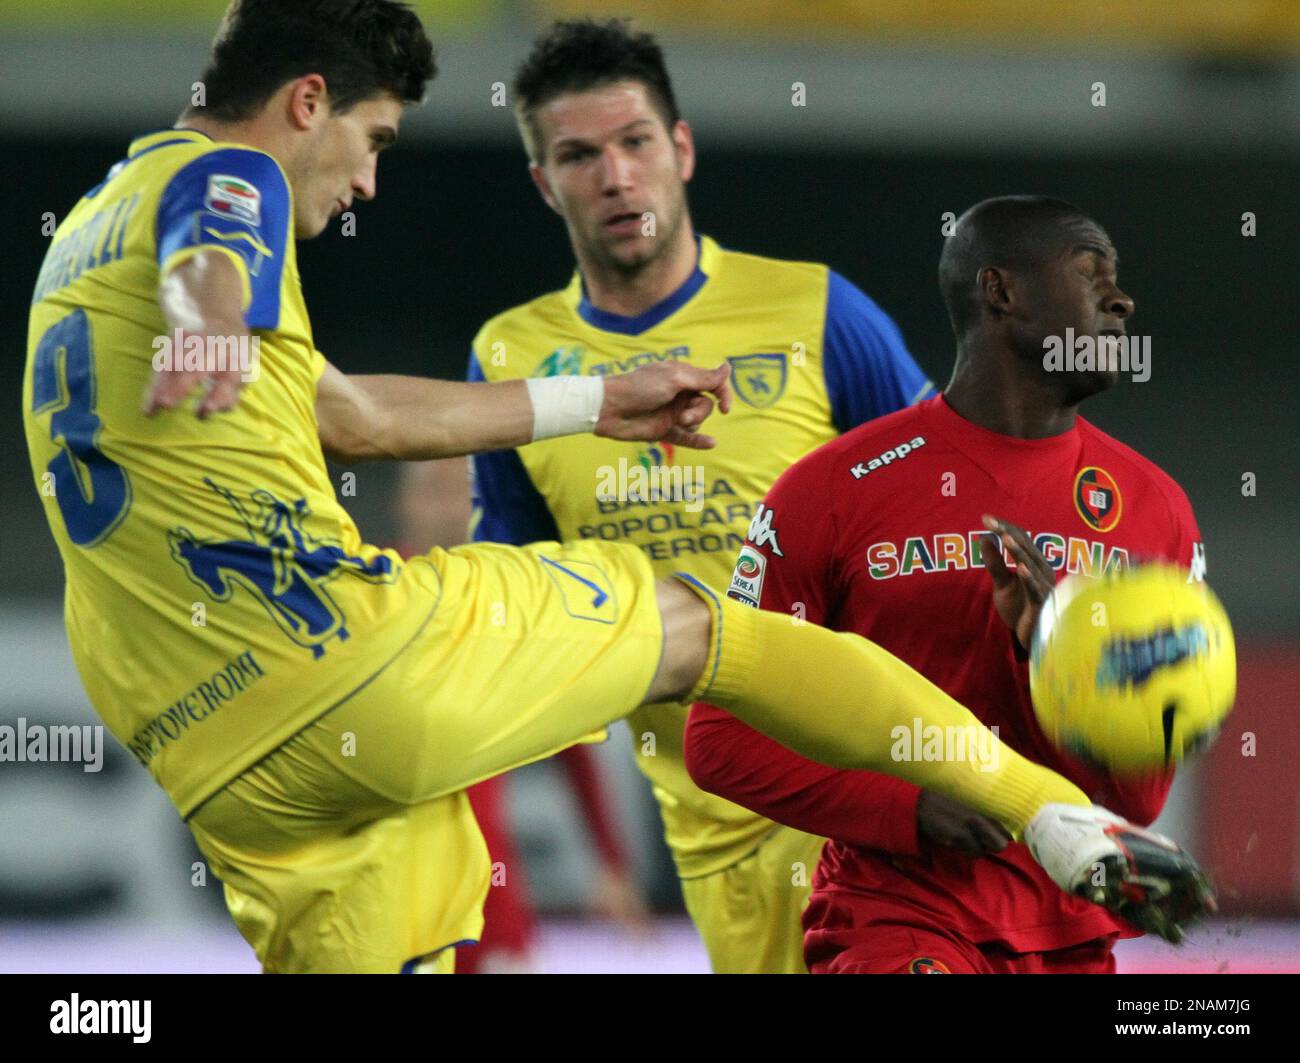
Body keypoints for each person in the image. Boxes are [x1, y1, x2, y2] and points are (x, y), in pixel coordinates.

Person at [22, 0, 1208, 973]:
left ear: (678, 150)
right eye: (375, 141)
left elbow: (351, 414)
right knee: (696, 621)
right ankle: (1056, 819)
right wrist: (211, 316)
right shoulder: (232, 179)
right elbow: (218, 237)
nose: (368, 183)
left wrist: (599, 399)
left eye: (634, 142)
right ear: (308, 103)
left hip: (204, 748)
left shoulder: (82, 233)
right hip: (345, 664)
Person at [468, 17, 932, 973]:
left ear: (680, 149)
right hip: (707, 823)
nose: (614, 176)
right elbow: (519, 594)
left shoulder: (815, 309)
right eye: (579, 155)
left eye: (635, 142)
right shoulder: (506, 358)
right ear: (543, 183)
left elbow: (949, 493)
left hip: (870, 790)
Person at [685, 196, 1211, 972]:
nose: (1121, 298)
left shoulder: (1156, 508)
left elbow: (1138, 799)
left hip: (1068, 936)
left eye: (1117, 277)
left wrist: (1053, 654)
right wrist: (906, 806)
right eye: (1089, 270)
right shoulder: (832, 488)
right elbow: (718, 740)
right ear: (1001, 291)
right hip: (894, 914)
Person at [394, 459, 650, 974]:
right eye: (436, 491)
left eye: (462, 494)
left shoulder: (504, 610)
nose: (450, 509)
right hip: (386, 893)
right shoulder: (368, 603)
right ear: (405, 503)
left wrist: (610, 865)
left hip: (490, 900)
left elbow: (571, 742)